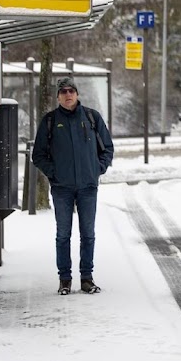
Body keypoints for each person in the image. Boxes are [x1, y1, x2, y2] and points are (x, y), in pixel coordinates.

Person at [32, 76, 114, 295]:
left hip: (88, 186)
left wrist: (98, 168)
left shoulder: (91, 117)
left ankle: (86, 278)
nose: (68, 95)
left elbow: (107, 148)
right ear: (58, 96)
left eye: (71, 91)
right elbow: (38, 155)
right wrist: (54, 173)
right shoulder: (50, 121)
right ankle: (65, 279)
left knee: (88, 234)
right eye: (63, 92)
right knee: (63, 235)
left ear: (77, 94)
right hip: (62, 188)